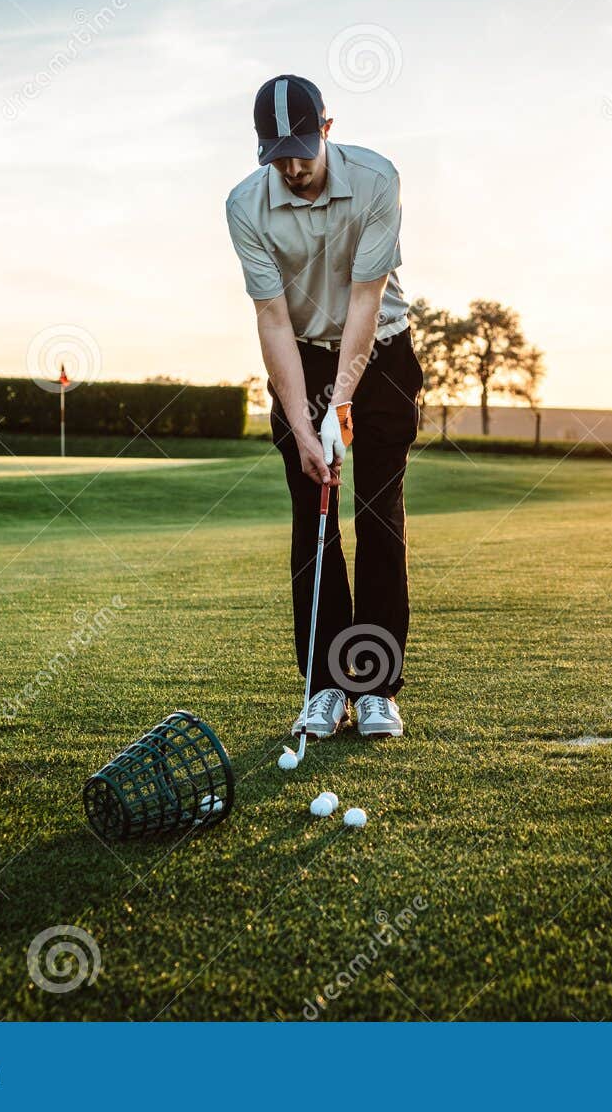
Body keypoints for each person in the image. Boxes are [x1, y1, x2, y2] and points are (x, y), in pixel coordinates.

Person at [224, 73, 420, 740]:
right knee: (312, 517)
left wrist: (339, 406)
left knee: (378, 514)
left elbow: (365, 303)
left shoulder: (376, 180)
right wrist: (305, 428)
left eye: (303, 148)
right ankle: (325, 687)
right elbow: (273, 321)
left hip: (382, 351)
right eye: (277, 154)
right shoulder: (245, 206)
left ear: (327, 130)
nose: (293, 165)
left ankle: (376, 689)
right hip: (301, 354)